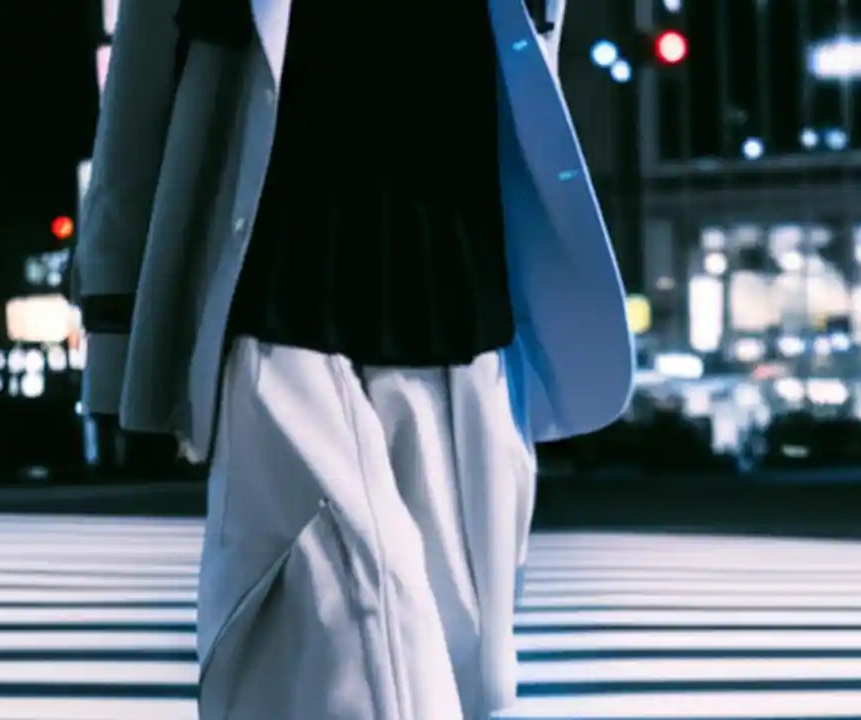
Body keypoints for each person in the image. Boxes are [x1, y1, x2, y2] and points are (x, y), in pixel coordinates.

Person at [73, 0, 634, 717]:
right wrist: (117, 329)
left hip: (462, 310)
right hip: (280, 301)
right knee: (354, 634)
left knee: (463, 667)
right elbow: (138, 94)